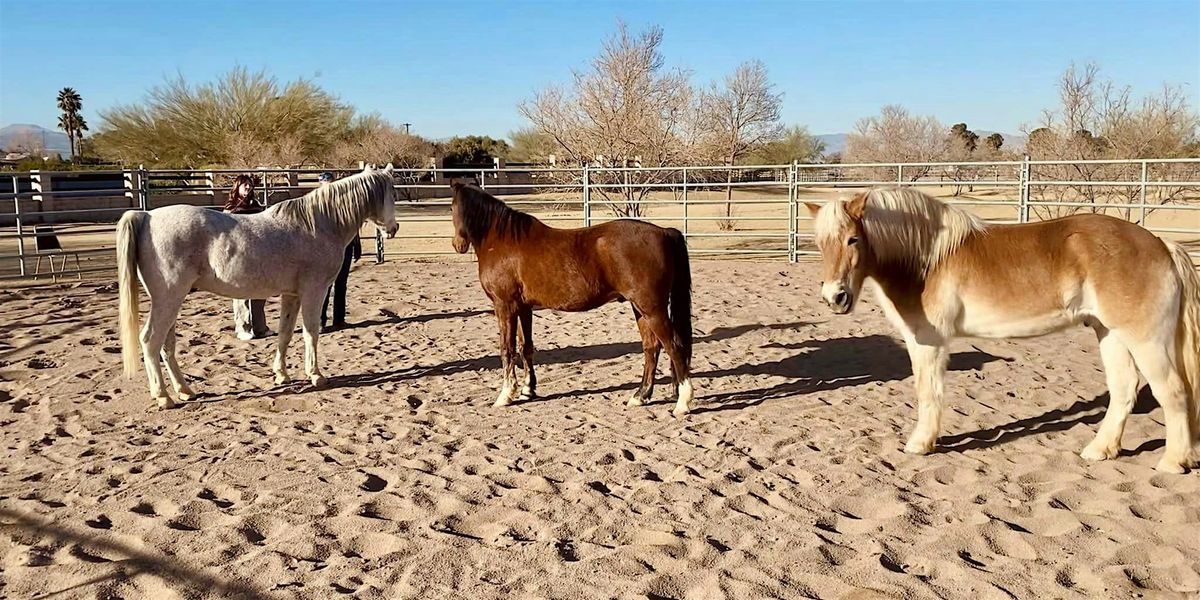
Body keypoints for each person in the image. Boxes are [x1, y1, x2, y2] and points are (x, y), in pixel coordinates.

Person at [224, 174, 272, 340]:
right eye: (244, 185)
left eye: (249, 185)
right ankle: (243, 326)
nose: (248, 188)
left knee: (260, 290)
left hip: (258, 252)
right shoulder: (231, 207)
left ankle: (260, 327)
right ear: (237, 187)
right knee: (241, 290)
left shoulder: (256, 205)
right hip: (240, 253)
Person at [318, 172, 362, 332]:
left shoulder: (345, 203)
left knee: (341, 283)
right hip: (327, 249)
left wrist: (357, 244)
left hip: (346, 246)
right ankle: (320, 320)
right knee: (325, 284)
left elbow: (353, 224)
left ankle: (339, 319)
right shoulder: (317, 204)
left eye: (331, 183)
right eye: (326, 183)